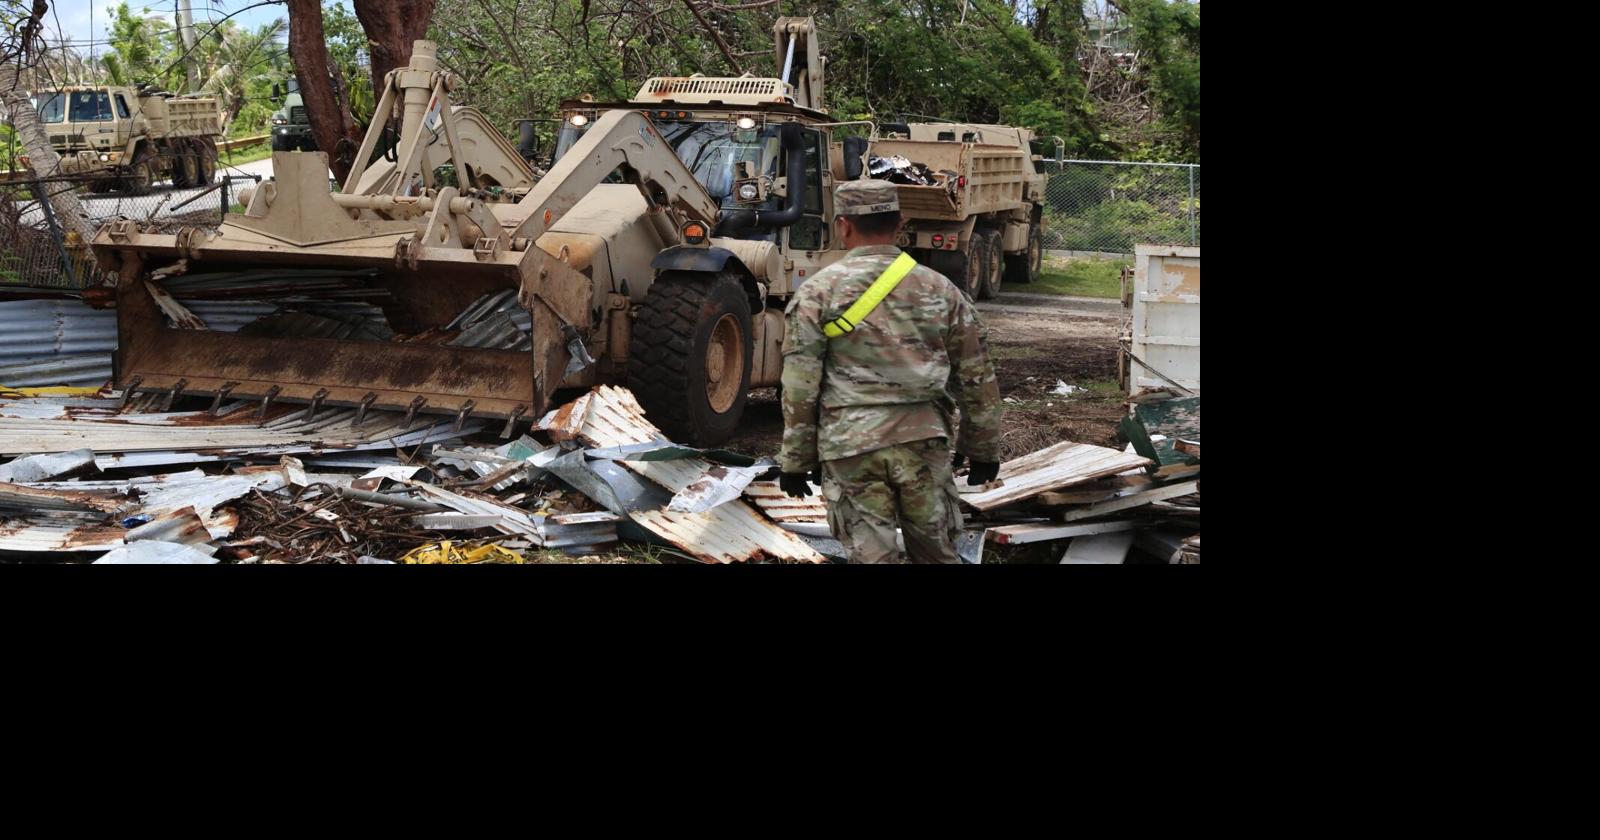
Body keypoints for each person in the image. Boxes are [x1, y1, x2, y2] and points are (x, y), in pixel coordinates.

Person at [777, 179, 1002, 564]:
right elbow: (975, 375)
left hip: (850, 444)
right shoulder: (941, 289)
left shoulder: (818, 292)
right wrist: (981, 448)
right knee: (937, 553)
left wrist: (797, 460)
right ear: (900, 223)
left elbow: (800, 386)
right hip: (923, 440)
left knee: (871, 557)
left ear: (843, 225)